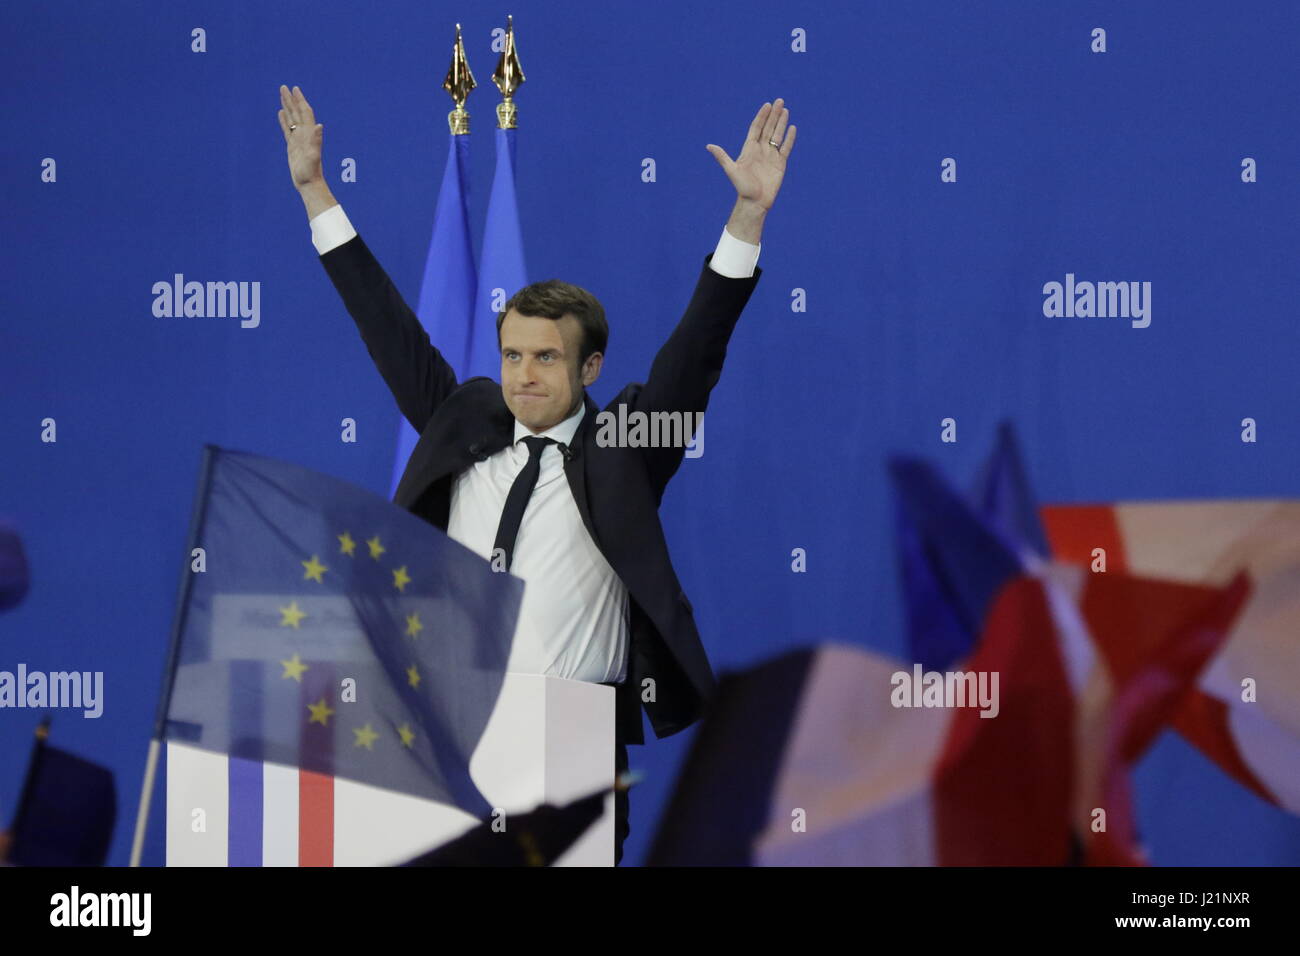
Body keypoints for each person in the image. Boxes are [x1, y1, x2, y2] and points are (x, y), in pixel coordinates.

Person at [278, 84, 795, 865]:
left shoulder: (628, 444)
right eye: (512, 355)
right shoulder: (463, 423)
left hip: (572, 741)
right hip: (452, 728)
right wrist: (317, 192)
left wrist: (747, 217)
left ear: (591, 366)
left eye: (546, 357)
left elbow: (696, 355)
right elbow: (384, 323)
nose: (522, 376)